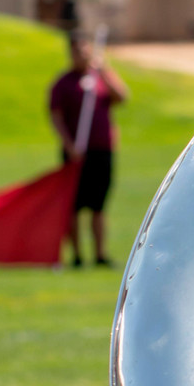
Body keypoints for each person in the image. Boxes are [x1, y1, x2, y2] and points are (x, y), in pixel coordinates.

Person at [48, 31, 129, 267]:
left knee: (98, 205)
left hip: (102, 151)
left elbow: (122, 97)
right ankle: (77, 256)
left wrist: (104, 72)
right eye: (77, 52)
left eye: (85, 51)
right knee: (74, 206)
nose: (82, 56)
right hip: (76, 152)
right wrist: (69, 144)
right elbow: (55, 116)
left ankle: (100, 254)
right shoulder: (64, 83)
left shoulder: (100, 78)